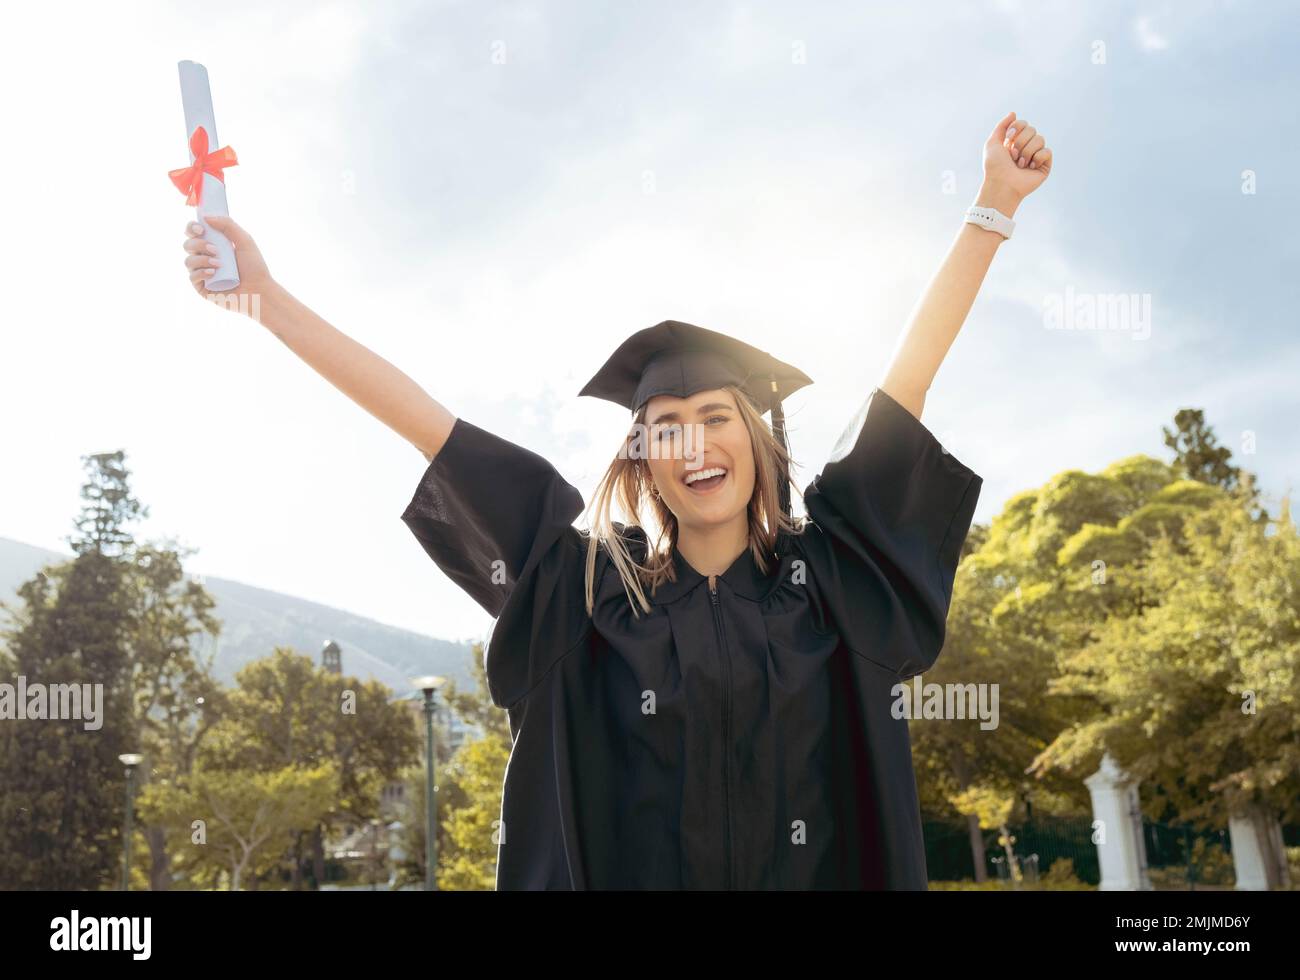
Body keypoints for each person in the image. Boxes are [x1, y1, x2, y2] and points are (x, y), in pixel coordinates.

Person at [179, 111, 1052, 888]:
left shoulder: (830, 583)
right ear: (640, 461)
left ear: (757, 440)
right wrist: (266, 300)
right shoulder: (586, 594)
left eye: (716, 418)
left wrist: (992, 206)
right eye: (664, 427)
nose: (695, 445)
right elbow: (431, 429)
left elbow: (904, 391)